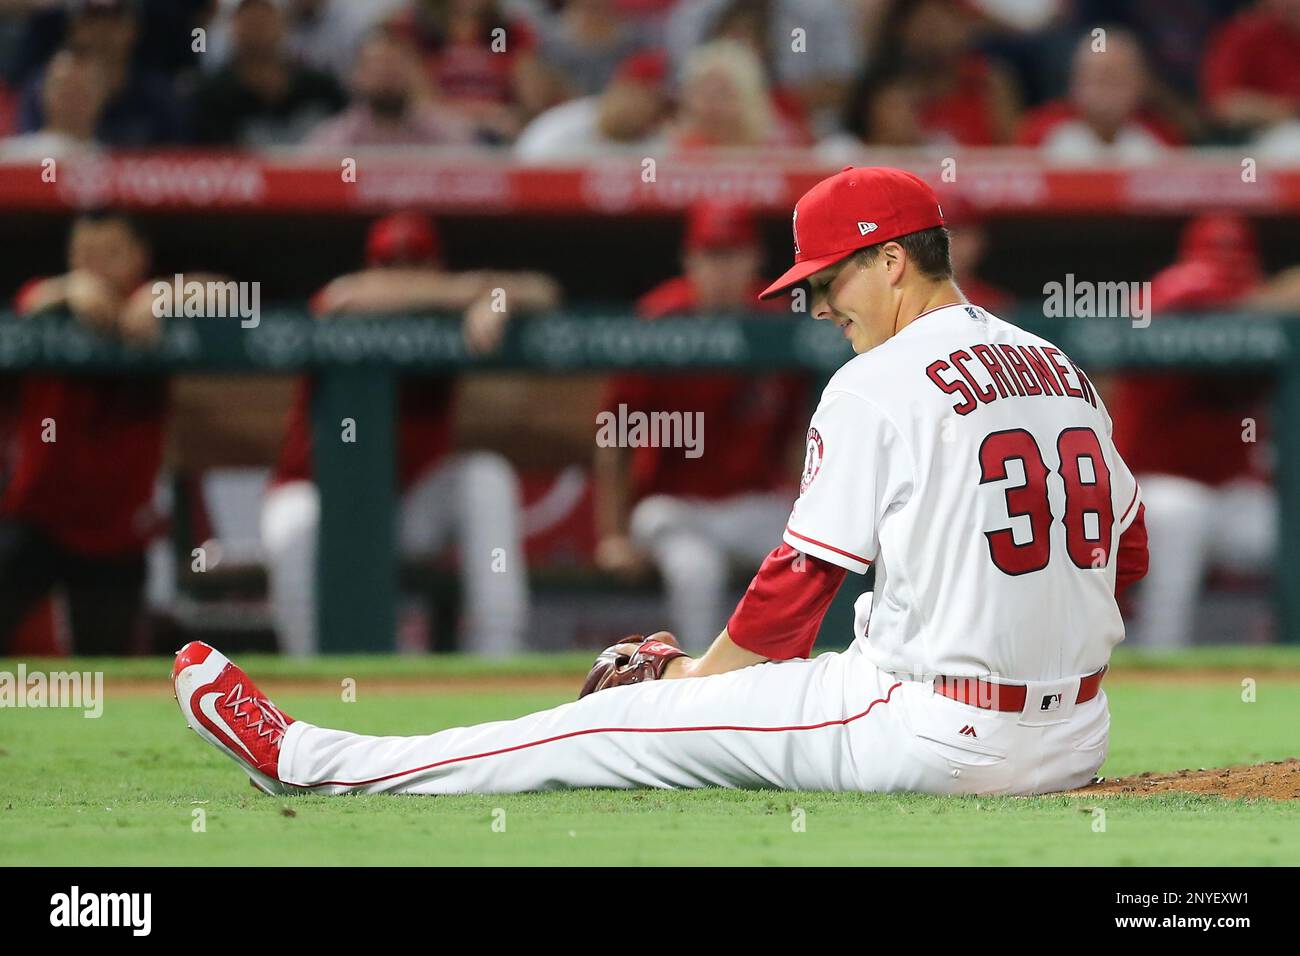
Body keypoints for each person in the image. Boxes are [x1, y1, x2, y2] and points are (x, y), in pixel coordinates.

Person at [175, 166, 1148, 798]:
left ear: (892, 262)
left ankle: (307, 760)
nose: (813, 304)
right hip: (1075, 741)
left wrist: (687, 679)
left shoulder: (877, 380)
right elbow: (1127, 552)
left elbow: (789, 602)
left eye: (825, 280)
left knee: (603, 722)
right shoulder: (1058, 366)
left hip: (930, 733)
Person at [260, 212, 559, 656]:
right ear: (371, 269)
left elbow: (544, 291)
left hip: (409, 506)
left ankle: (497, 659)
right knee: (294, 525)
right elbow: (344, 296)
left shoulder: (449, 313)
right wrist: (473, 292)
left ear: (435, 266)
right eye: (390, 265)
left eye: (414, 263)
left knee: (486, 476)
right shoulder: (347, 301)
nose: (402, 276)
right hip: (321, 497)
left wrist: (497, 300)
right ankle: (310, 675)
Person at [593, 202, 808, 650]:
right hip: (673, 505)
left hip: (752, 503)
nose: (722, 269)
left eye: (732, 255)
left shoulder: (777, 321)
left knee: (815, 551)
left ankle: (801, 675)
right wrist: (612, 535)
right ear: (690, 261)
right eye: (711, 255)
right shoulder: (659, 319)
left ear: (753, 259)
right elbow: (615, 437)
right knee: (696, 569)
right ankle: (697, 688)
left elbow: (801, 432)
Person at [0, 211, 167, 653]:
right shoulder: (49, 301)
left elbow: (222, 292)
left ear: (139, 257)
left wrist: (168, 292)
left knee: (107, 672)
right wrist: (70, 286)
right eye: (83, 254)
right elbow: (32, 298)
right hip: (35, 517)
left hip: (115, 531)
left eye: (109, 254)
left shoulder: (158, 311)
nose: (94, 267)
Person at [1108, 214, 1274, 648]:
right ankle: (1162, 657)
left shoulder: (1259, 305)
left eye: (1235, 258)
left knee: (1277, 527)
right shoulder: (1173, 292)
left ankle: (1276, 658)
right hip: (1150, 485)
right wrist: (1260, 302)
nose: (1226, 266)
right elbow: (1172, 295)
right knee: (1183, 517)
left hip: (1230, 493)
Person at [190, 0, 346, 147]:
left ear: (283, 25)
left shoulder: (320, 88)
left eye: (265, 20)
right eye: (250, 22)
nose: (258, 29)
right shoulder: (213, 96)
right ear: (234, 29)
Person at [1017, 28, 1181, 163]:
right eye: (1094, 79)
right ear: (1074, 82)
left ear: (1141, 83)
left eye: (1115, 79)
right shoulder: (1040, 133)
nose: (1104, 92)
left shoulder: (1161, 136)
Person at [304, 27, 474, 149]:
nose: (388, 76)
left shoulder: (444, 132)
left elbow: (473, 171)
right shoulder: (334, 138)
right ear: (356, 76)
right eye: (378, 67)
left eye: (395, 66)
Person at [514, 49, 669, 161]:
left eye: (655, 103)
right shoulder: (564, 125)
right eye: (636, 95)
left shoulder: (654, 145)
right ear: (616, 90)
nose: (643, 108)